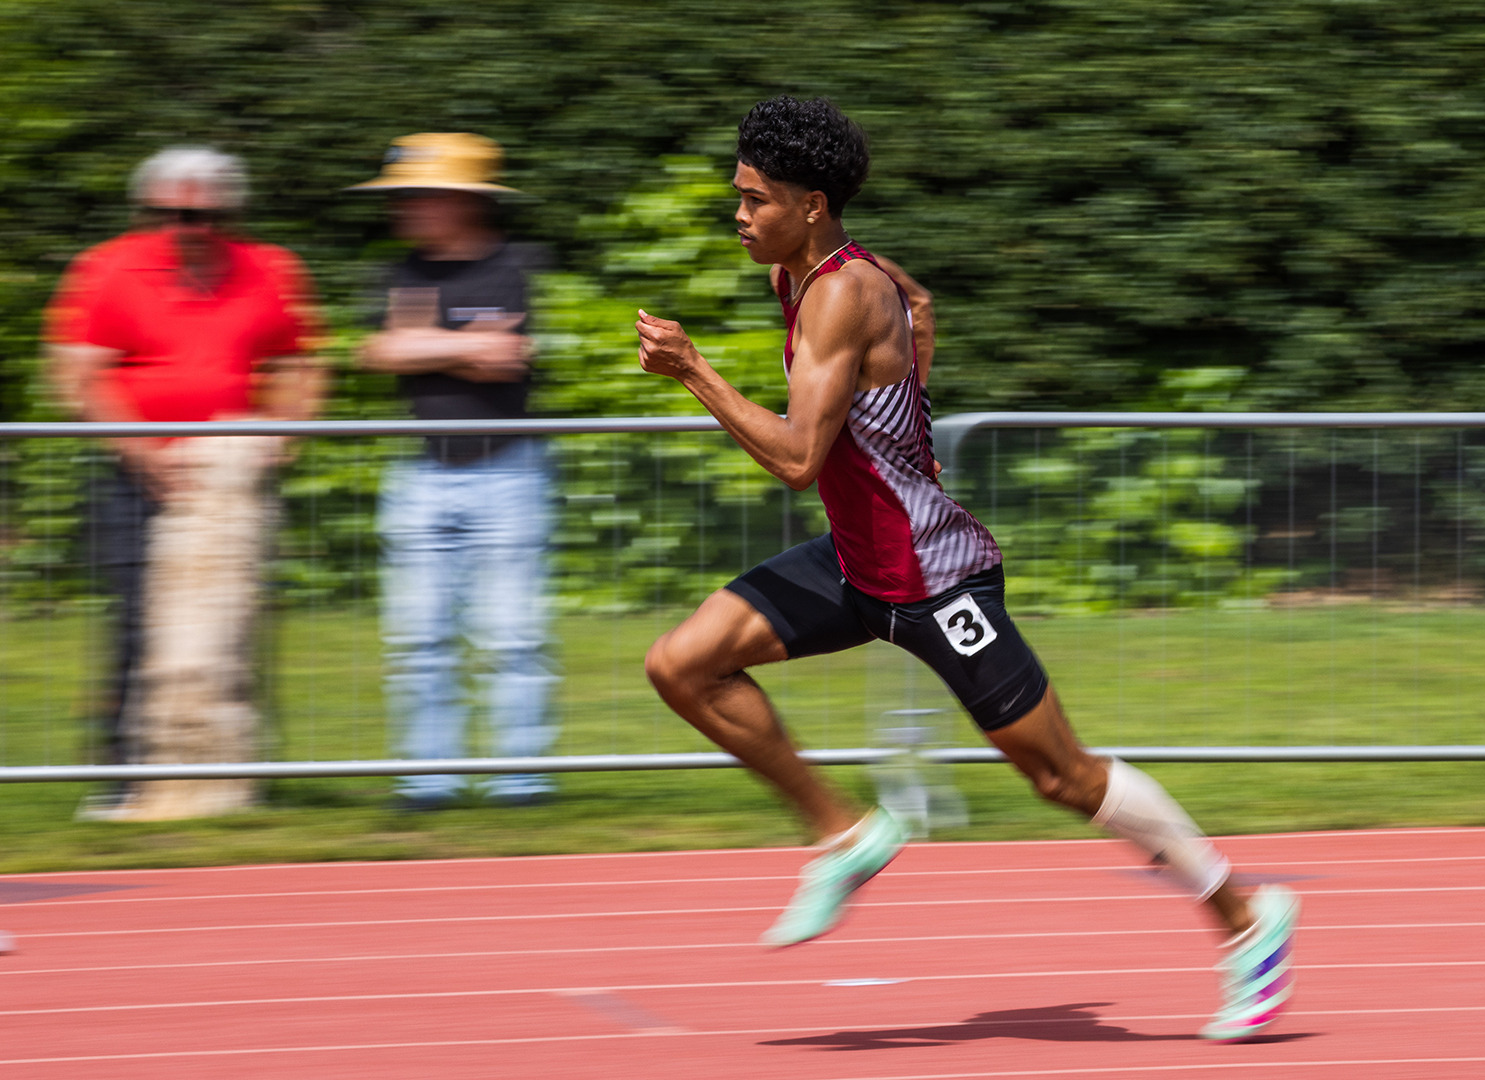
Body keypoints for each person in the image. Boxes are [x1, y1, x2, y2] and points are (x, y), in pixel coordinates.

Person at [636, 97, 1299, 1043]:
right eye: (737, 197)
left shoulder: (835, 292)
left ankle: (1247, 919)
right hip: (861, 565)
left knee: (1062, 777)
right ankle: (846, 833)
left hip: (935, 581)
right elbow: (921, 302)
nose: (737, 215)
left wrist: (694, 370)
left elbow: (794, 460)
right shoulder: (811, 269)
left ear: (812, 204)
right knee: (680, 663)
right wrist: (913, 412)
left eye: (754, 199)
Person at [45, 146, 325, 821]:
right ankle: (127, 775)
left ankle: (228, 773)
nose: (187, 224)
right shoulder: (109, 268)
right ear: (151, 211)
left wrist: (278, 437)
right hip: (138, 474)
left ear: (226, 212)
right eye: (171, 212)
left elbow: (302, 363)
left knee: (231, 629)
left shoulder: (269, 269)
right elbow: (77, 375)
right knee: (141, 624)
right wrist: (141, 450)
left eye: (201, 213)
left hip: (227, 480)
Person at [349, 133, 557, 810]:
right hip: (420, 472)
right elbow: (377, 353)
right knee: (418, 635)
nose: (404, 208)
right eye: (401, 197)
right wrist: (462, 344)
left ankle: (518, 778)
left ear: (464, 201)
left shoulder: (515, 266)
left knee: (511, 634)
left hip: (510, 473)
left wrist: (422, 342)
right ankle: (428, 780)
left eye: (418, 196)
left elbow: (507, 357)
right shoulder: (399, 271)